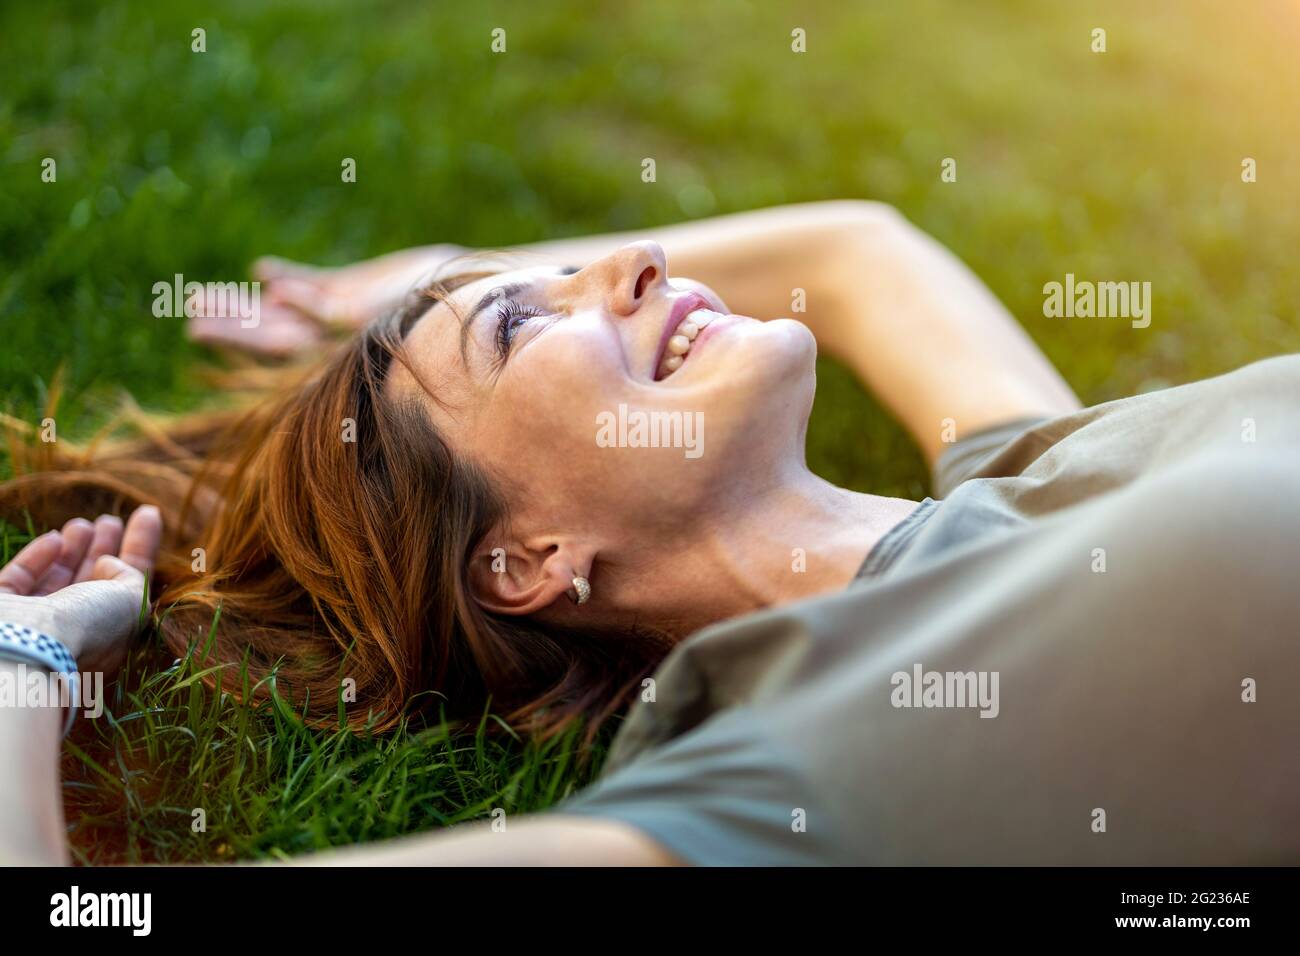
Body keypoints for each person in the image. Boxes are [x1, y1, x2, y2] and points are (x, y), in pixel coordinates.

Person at [1, 202, 1296, 866]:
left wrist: (414, 286)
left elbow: (858, 256)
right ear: (526, 561)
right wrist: (29, 662)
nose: (634, 259)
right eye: (522, 330)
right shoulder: (801, 761)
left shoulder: (1029, 472)